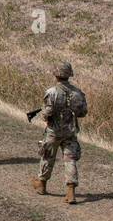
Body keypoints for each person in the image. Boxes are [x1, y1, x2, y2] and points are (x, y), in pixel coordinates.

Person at [32, 62, 88, 204]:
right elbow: (82, 112)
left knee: (47, 156)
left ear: (56, 74)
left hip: (53, 132)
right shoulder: (77, 93)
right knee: (70, 160)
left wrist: (45, 115)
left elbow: (47, 113)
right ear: (69, 75)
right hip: (70, 131)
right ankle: (70, 192)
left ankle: (42, 185)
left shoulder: (52, 92)